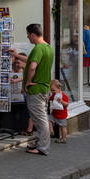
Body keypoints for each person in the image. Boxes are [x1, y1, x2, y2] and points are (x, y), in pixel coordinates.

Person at [23, 23, 54, 156]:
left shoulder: (38, 48)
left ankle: (43, 148)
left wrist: (28, 82)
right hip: (44, 88)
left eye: (28, 35)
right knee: (40, 119)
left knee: (41, 120)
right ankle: (40, 143)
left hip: (36, 89)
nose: (28, 37)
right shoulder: (48, 48)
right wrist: (17, 56)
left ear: (33, 35)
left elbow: (32, 67)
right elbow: (31, 61)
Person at [48, 79, 70, 144]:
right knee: (48, 120)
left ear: (59, 88)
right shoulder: (53, 95)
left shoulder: (63, 96)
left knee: (62, 127)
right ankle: (51, 131)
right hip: (54, 114)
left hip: (62, 115)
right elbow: (50, 99)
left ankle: (63, 139)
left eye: (53, 90)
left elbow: (67, 104)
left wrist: (62, 101)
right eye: (51, 90)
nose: (52, 91)